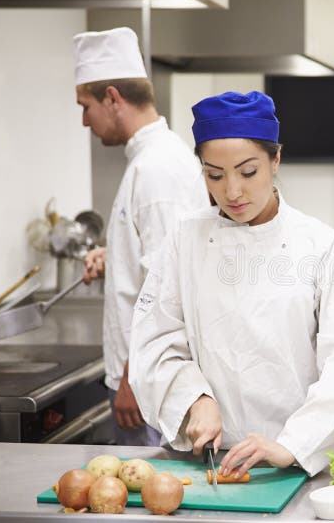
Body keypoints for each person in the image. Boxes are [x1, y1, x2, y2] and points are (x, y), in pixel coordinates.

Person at [128, 91, 334, 477]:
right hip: (203, 462)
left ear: (276, 159)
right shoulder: (184, 239)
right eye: (214, 175)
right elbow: (156, 340)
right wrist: (195, 399)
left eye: (247, 172)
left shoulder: (320, 245)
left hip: (291, 462)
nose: (231, 192)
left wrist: (292, 445)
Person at [73, 27, 207, 445]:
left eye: (86, 106)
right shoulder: (151, 161)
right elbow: (160, 251)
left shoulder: (157, 170)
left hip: (148, 381)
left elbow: (170, 284)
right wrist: (115, 256)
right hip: (144, 373)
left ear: (112, 98)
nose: (83, 121)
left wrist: (133, 377)